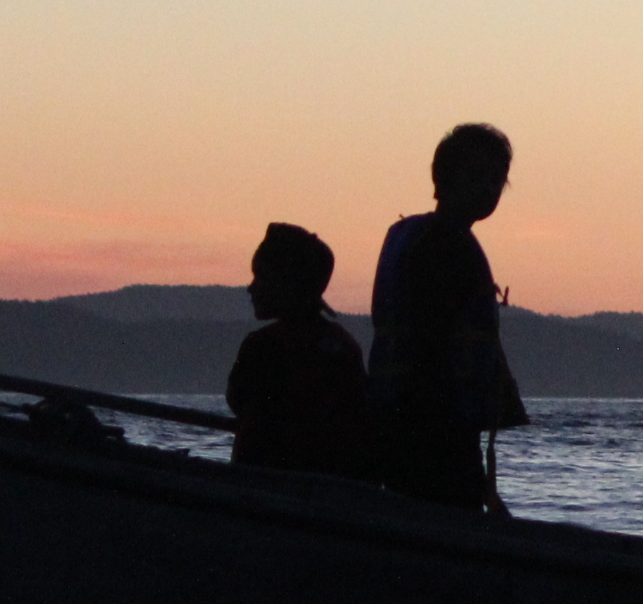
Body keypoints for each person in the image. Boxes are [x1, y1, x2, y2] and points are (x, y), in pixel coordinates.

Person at [366, 124, 526, 508]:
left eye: (496, 180)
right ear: (443, 177)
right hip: (430, 426)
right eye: (476, 177)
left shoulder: (429, 238)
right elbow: (430, 341)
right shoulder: (443, 247)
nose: (488, 189)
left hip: (414, 421)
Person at [225, 222, 375, 478]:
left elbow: (237, 400)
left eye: (261, 276)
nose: (251, 288)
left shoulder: (263, 346)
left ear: (286, 284)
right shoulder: (345, 345)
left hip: (263, 489)